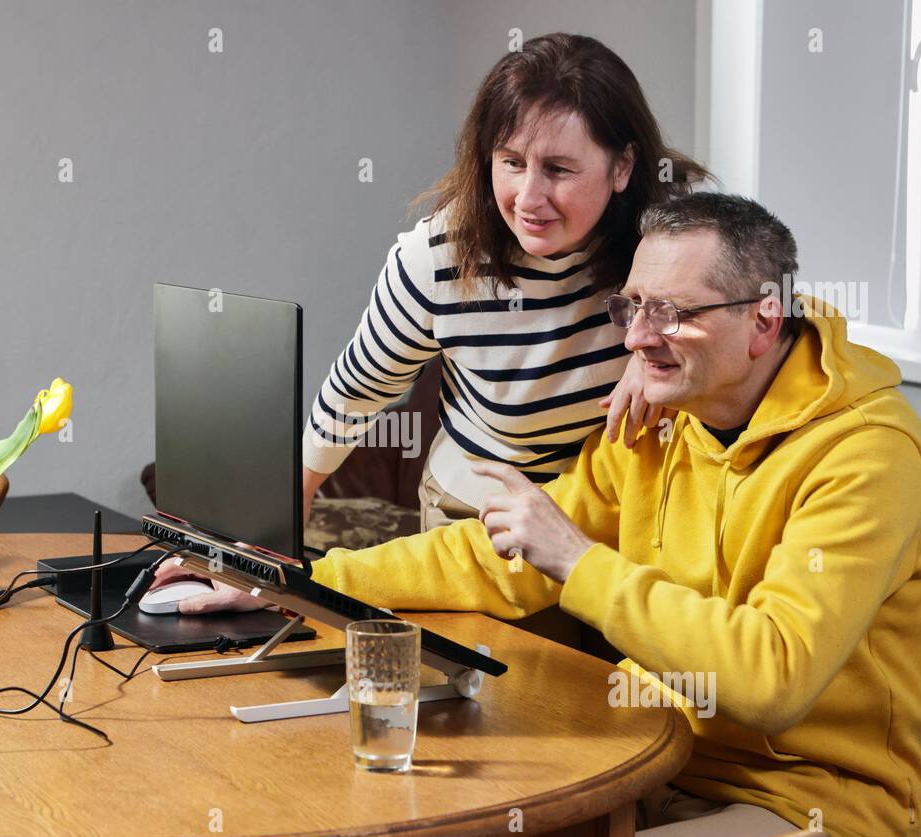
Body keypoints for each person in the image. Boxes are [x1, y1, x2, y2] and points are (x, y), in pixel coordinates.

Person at [156, 193, 921, 837]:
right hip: (652, 763)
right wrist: (297, 583)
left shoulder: (867, 453)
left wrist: (579, 559)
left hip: (816, 809)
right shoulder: (665, 420)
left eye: (671, 313)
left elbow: (773, 679)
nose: (635, 339)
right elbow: (501, 557)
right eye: (633, 307)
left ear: (763, 319)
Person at [300, 33, 708, 532]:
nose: (528, 199)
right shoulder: (436, 259)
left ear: (622, 166)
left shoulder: (675, 235)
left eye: (558, 169)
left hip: (620, 508)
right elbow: (356, 391)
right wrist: (292, 508)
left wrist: (657, 357)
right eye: (512, 162)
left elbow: (755, 317)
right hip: (476, 510)